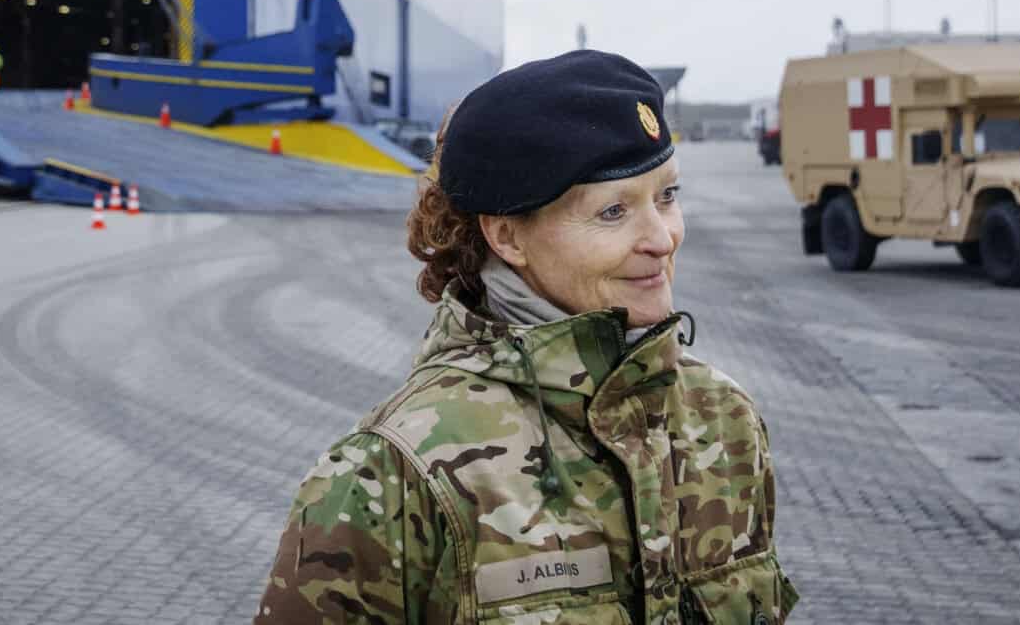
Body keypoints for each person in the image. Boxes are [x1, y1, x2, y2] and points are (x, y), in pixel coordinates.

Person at [254, 51, 798, 623]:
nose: (661, 238)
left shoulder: (721, 417)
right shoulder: (392, 473)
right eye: (613, 211)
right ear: (508, 236)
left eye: (666, 196)